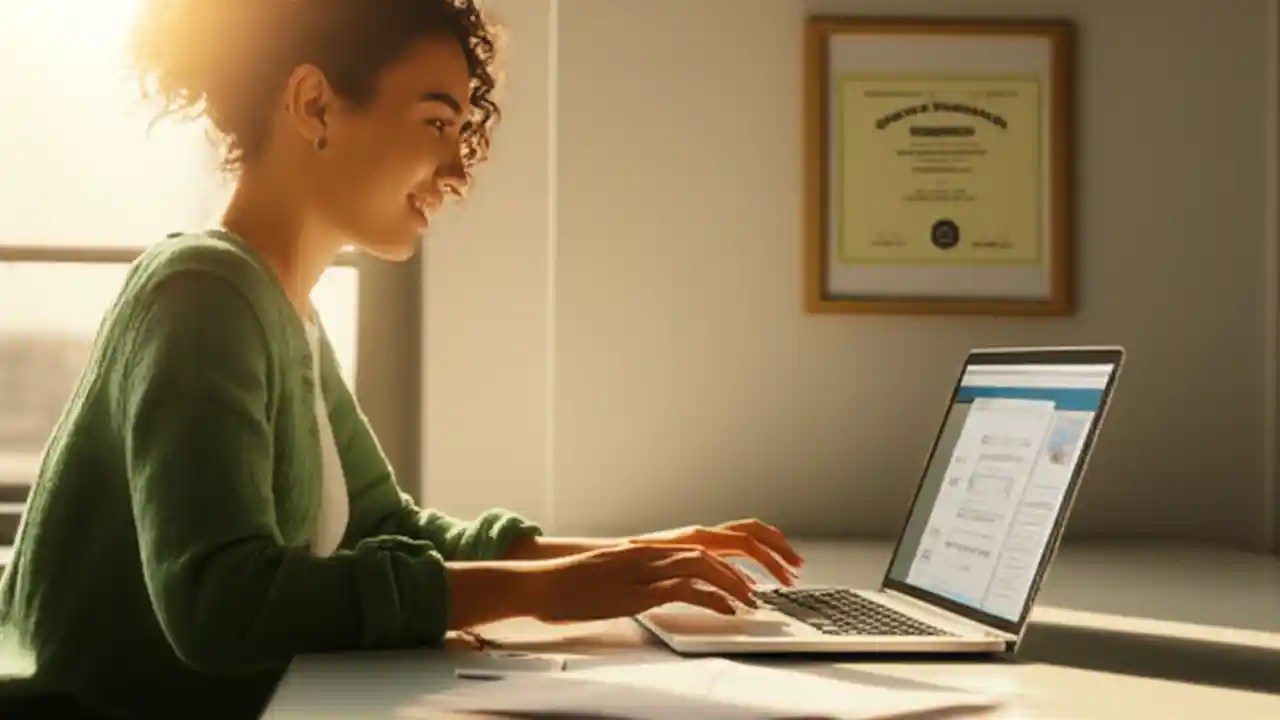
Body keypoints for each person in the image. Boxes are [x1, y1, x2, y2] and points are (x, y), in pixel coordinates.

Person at [0, 1, 804, 718]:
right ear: (314, 104)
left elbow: (384, 527)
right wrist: (549, 592)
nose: (457, 171)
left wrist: (625, 560)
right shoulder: (201, 298)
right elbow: (221, 604)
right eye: (435, 124)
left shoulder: (284, 311)